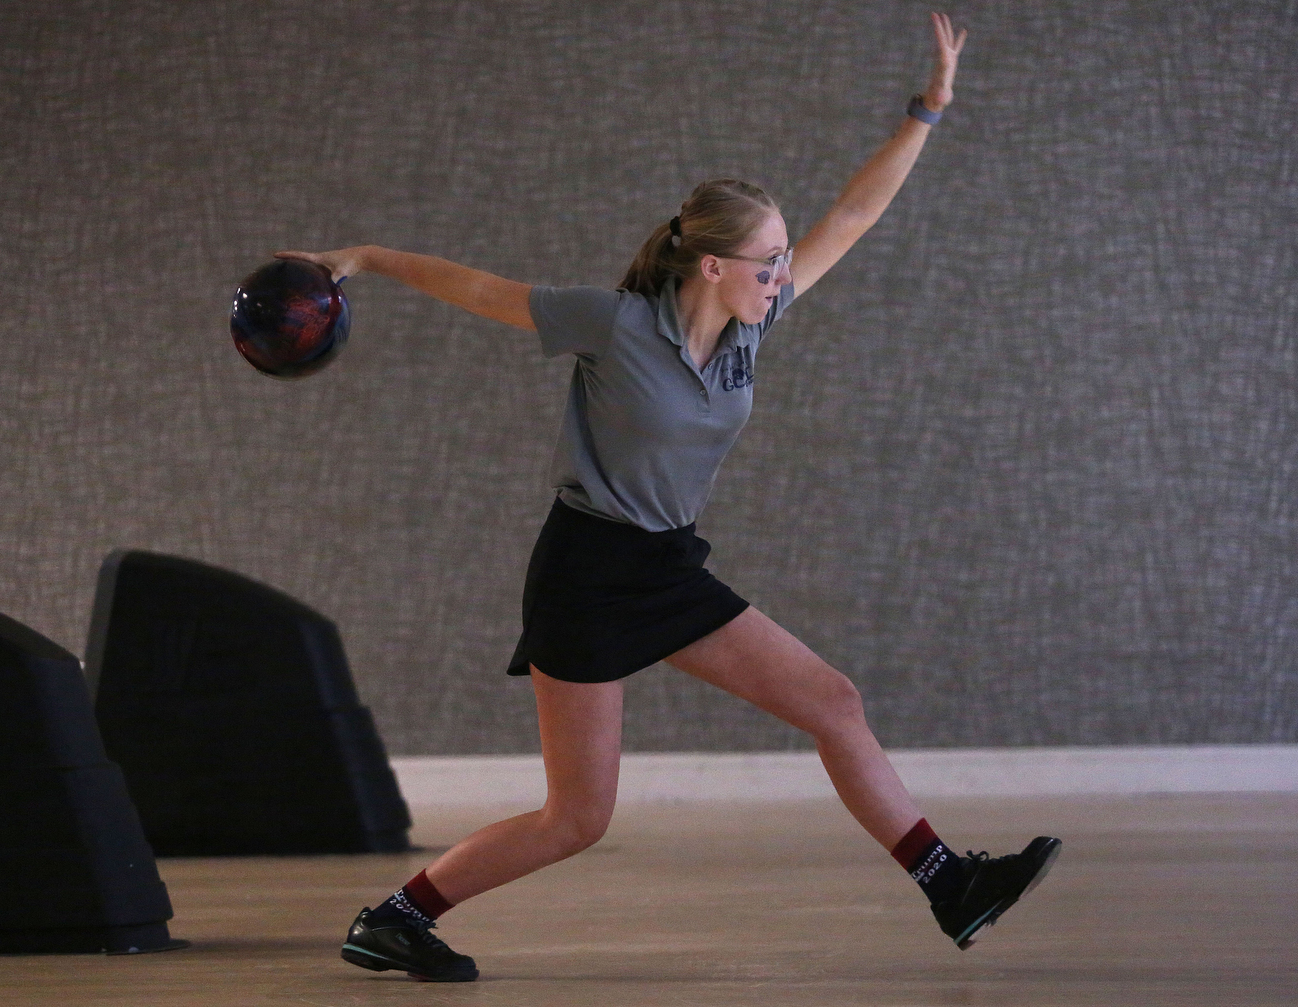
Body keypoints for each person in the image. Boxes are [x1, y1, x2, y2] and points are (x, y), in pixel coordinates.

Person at [279, 13, 1059, 984]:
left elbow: (851, 219)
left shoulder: (748, 330)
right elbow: (475, 289)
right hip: (586, 570)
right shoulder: (611, 324)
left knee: (830, 700)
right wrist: (365, 256)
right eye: (766, 262)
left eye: (782, 263)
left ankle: (950, 883)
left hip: (661, 561)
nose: (782, 276)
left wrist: (928, 108)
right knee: (577, 817)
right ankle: (396, 915)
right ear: (712, 265)